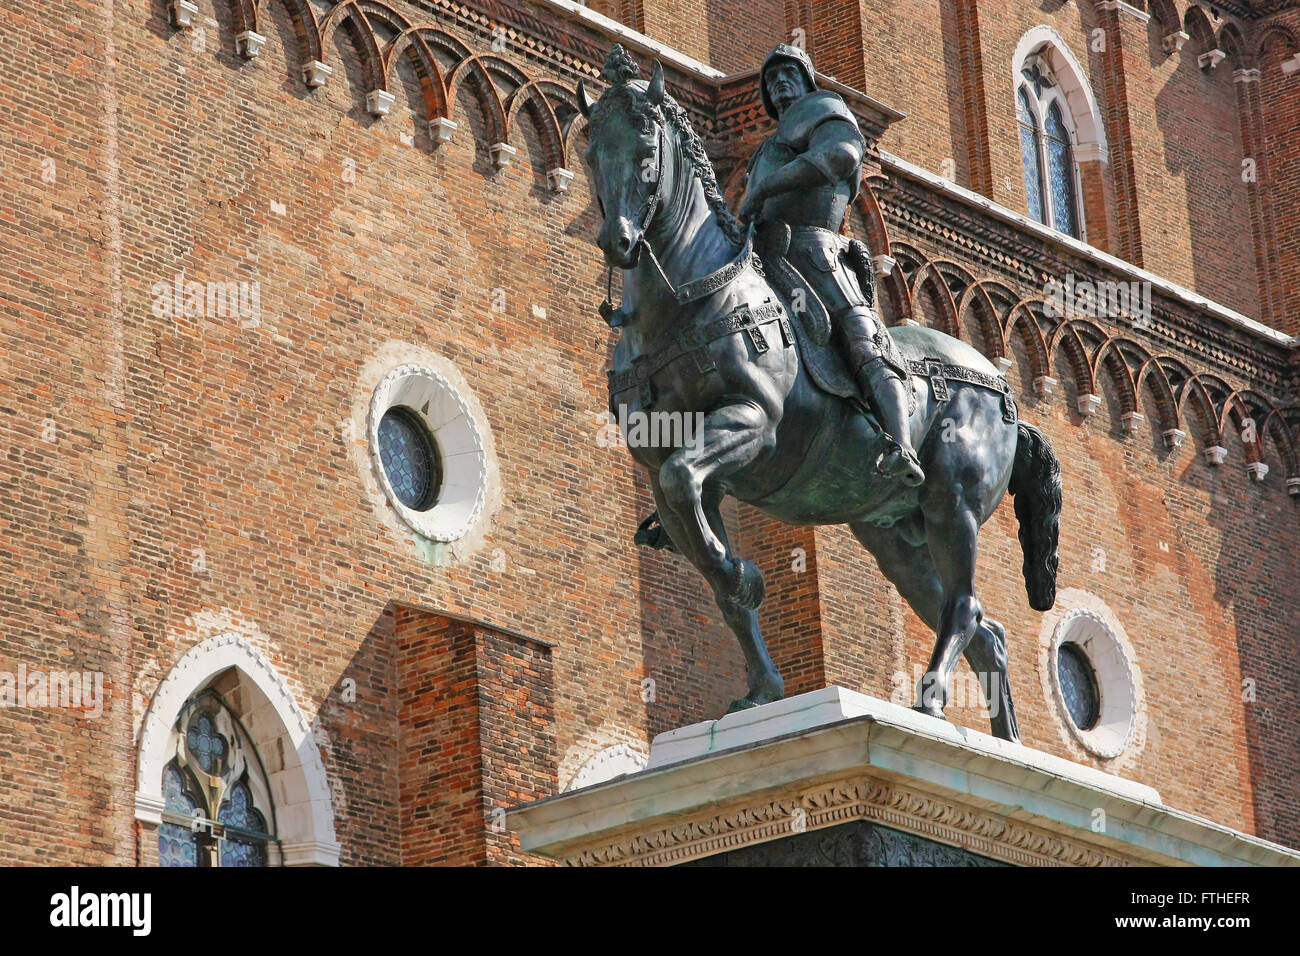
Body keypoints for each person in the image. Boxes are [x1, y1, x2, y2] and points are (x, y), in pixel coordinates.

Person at [738, 43, 924, 486]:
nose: (778, 82)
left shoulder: (825, 109)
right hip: (764, 255)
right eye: (771, 78)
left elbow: (841, 156)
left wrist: (763, 191)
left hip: (815, 251)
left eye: (788, 74)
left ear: (806, 81)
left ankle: (901, 445)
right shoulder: (765, 149)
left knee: (861, 338)